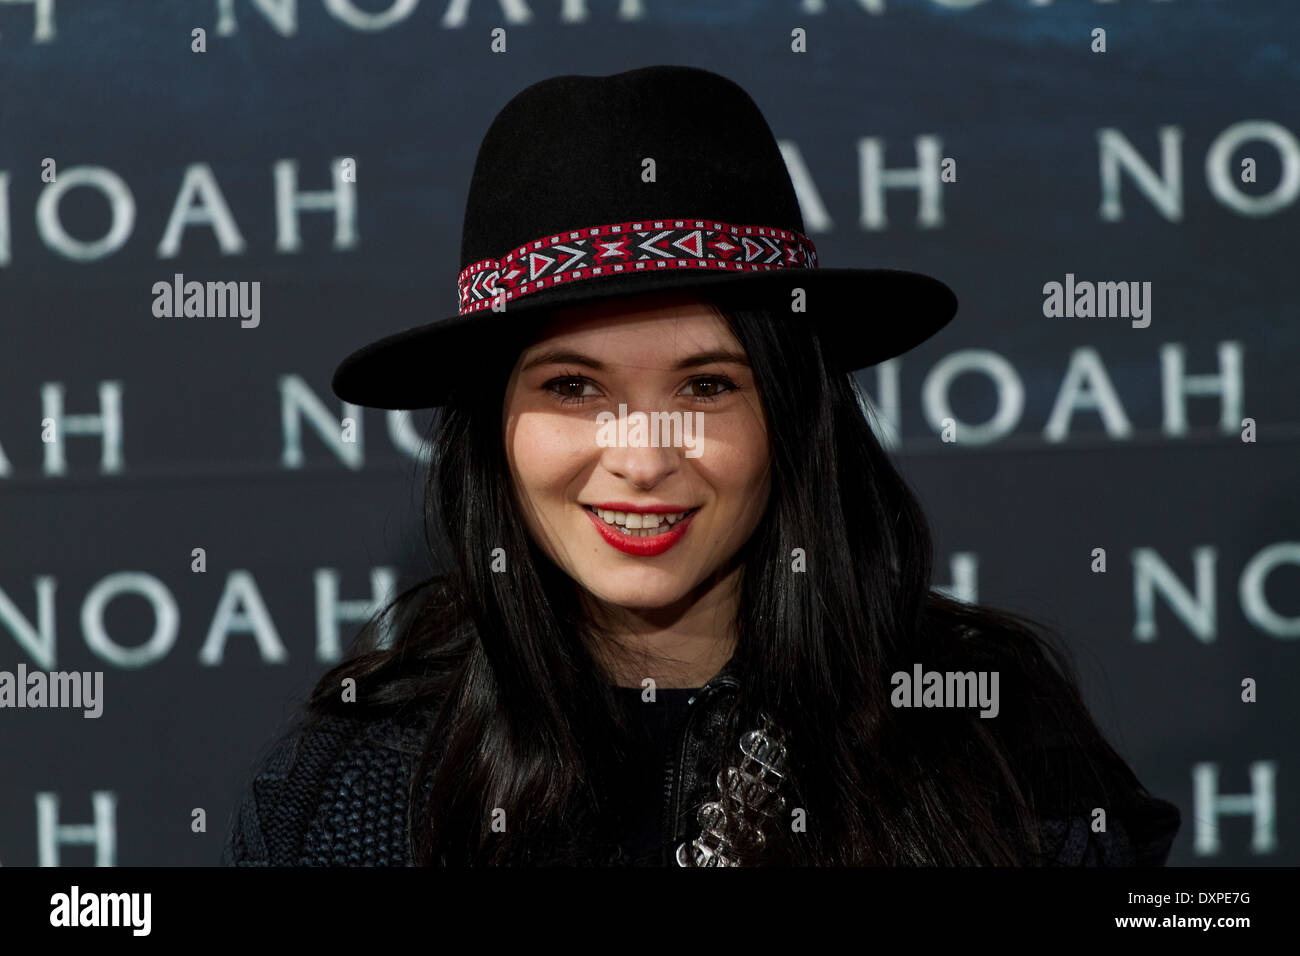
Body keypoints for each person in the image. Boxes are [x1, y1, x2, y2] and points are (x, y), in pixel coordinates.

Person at [223, 65, 1179, 867]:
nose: (642, 459)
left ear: (791, 415)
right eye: (572, 387)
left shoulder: (985, 736)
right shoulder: (351, 783)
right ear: (493, 431)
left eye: (706, 388)